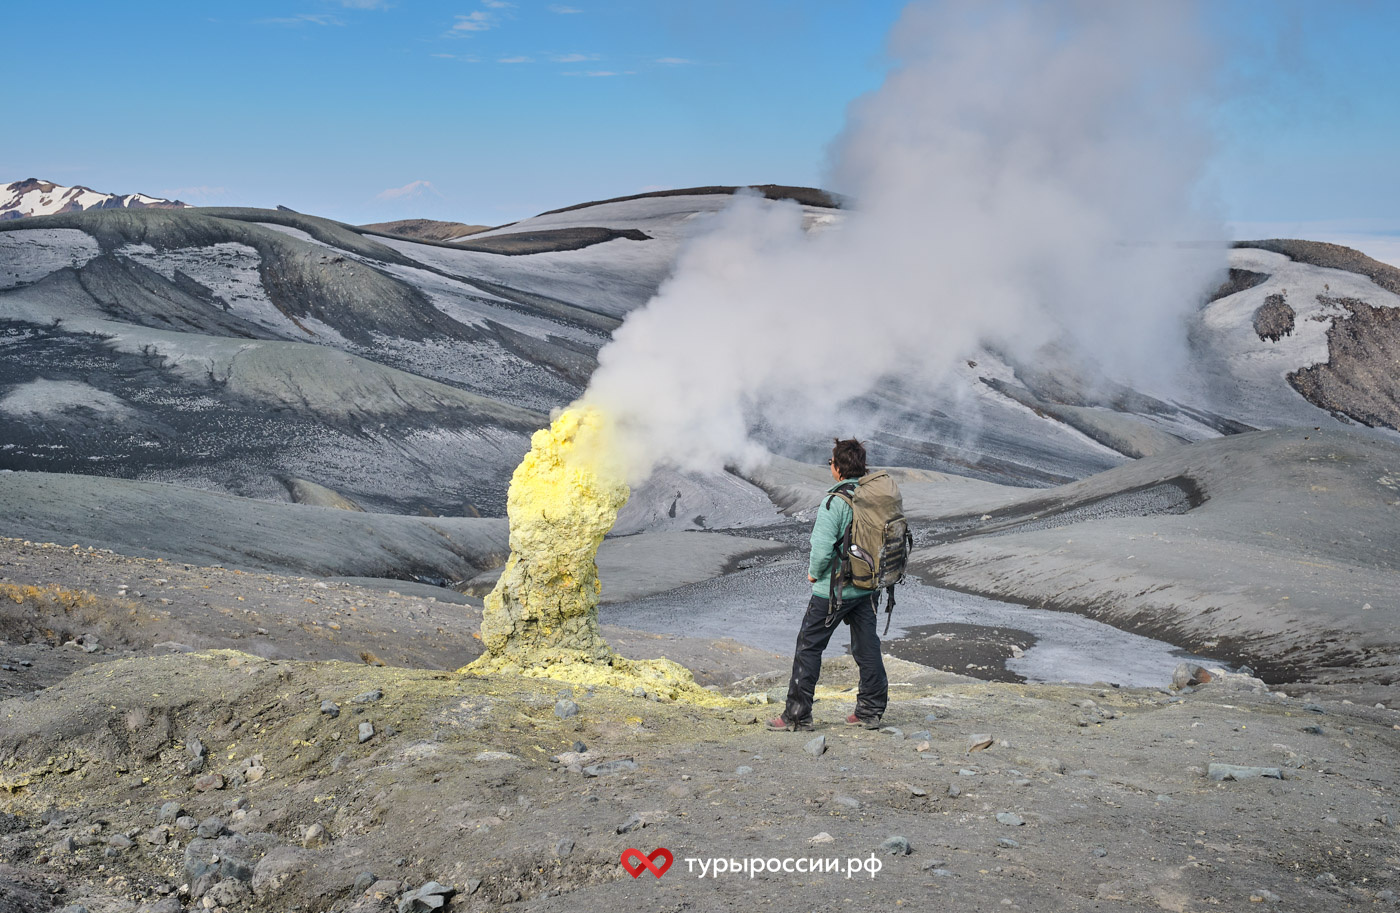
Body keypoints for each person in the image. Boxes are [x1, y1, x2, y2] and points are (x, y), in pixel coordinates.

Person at [768, 437, 889, 732]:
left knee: (808, 646)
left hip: (833, 590)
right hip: (868, 585)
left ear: (837, 468)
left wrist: (813, 573)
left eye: (831, 462)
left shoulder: (835, 502)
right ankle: (869, 711)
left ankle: (797, 715)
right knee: (867, 647)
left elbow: (821, 549)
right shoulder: (874, 496)